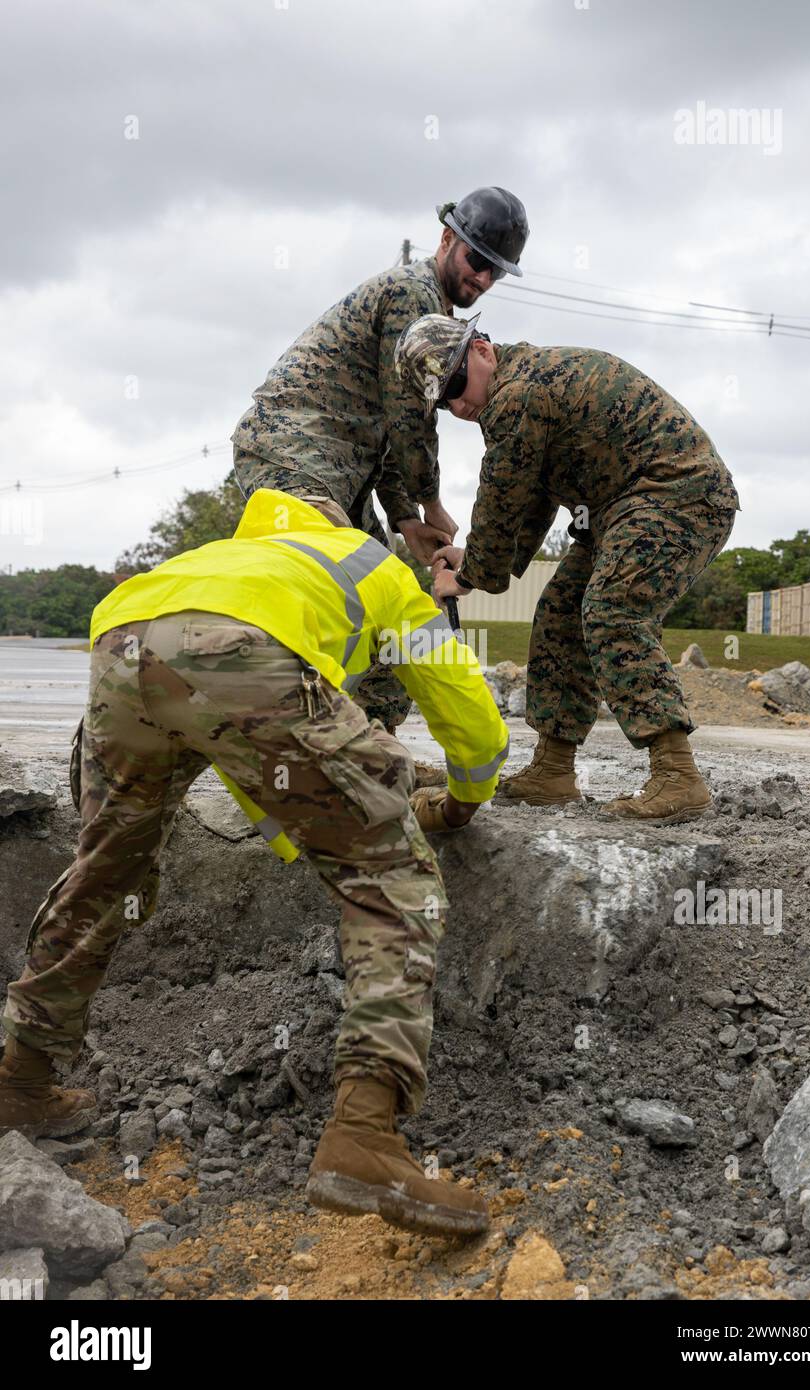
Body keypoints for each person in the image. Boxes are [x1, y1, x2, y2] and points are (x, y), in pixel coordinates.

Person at [0, 490, 509, 1237]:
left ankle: (21, 1077)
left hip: (121, 639)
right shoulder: (372, 563)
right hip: (245, 653)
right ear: (338, 522)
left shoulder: (212, 558)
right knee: (393, 880)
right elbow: (460, 702)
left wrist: (298, 822)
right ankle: (364, 1134)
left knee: (107, 869)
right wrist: (466, 795)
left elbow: (239, 751)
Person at [394, 314, 740, 823]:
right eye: (444, 402)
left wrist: (465, 578)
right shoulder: (517, 392)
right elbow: (530, 505)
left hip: (677, 493)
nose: (459, 405)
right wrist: (478, 560)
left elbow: (501, 496)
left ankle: (678, 776)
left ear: (483, 350)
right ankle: (553, 770)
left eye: (456, 384)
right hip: (620, 507)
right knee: (560, 612)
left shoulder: (519, 393)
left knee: (612, 610)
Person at [231, 187, 529, 736]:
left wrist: (406, 519)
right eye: (477, 261)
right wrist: (432, 503)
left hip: (344, 471)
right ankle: (271, 734)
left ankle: (369, 746)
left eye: (497, 272)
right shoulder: (413, 294)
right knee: (324, 592)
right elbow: (410, 418)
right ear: (447, 240)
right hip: (292, 451)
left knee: (398, 600)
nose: (484, 279)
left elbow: (391, 431)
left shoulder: (436, 311)